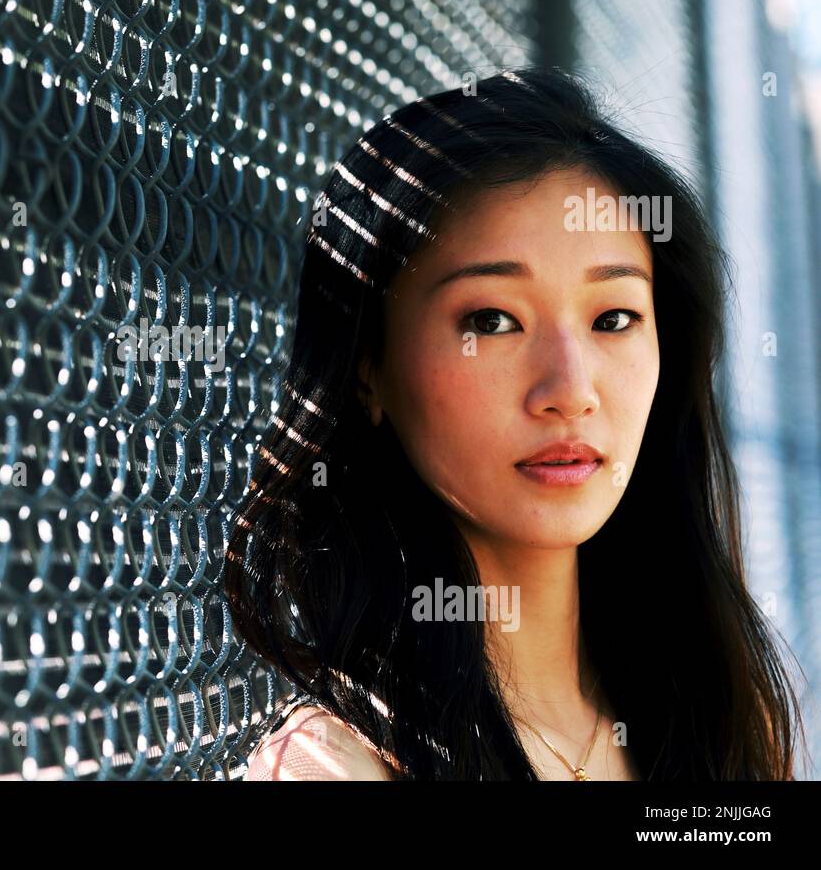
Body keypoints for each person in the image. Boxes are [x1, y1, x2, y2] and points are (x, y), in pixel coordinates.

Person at [229, 68, 805, 780]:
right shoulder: (337, 767)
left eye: (613, 318)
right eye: (492, 320)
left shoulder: (719, 714)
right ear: (367, 369)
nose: (570, 391)